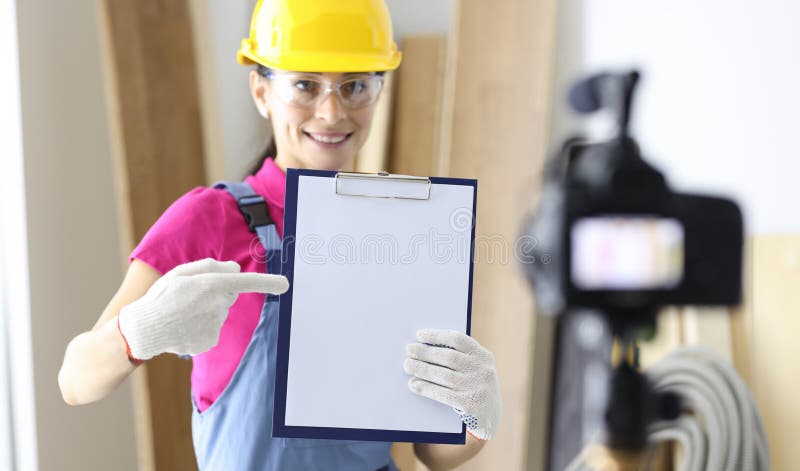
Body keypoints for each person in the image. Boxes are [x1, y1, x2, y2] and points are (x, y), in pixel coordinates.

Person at [58, 0, 501, 469]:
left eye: (355, 86)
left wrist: (475, 417)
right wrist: (140, 330)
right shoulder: (209, 219)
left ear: (379, 92)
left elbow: (432, 454)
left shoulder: (404, 227)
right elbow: (75, 382)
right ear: (261, 91)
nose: (332, 112)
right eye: (305, 85)